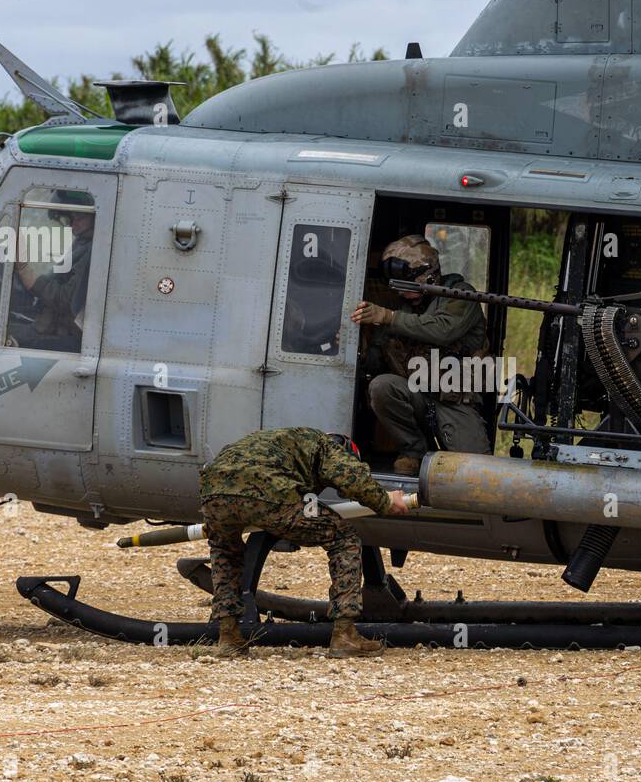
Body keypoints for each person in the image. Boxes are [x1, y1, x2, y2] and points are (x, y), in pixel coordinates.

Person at [198, 428, 411, 659]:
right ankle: (345, 634)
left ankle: (229, 638)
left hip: (214, 491)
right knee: (344, 537)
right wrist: (385, 500)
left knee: (225, 554)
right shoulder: (326, 445)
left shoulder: (283, 441)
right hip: (267, 489)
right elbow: (350, 477)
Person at [351, 235, 490, 476]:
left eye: (408, 286)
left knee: (475, 474)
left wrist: (389, 317)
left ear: (430, 275)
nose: (403, 295)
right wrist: (359, 347)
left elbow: (443, 330)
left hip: (454, 399)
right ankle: (413, 451)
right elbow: (377, 360)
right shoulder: (403, 308)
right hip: (414, 394)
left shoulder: (461, 295)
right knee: (382, 386)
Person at [10, 190, 93, 352]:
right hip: (51, 325)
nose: (73, 224)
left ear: (96, 217)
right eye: (71, 218)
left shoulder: (93, 250)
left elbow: (67, 302)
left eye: (80, 217)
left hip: (63, 335)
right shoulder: (83, 243)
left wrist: (25, 270)